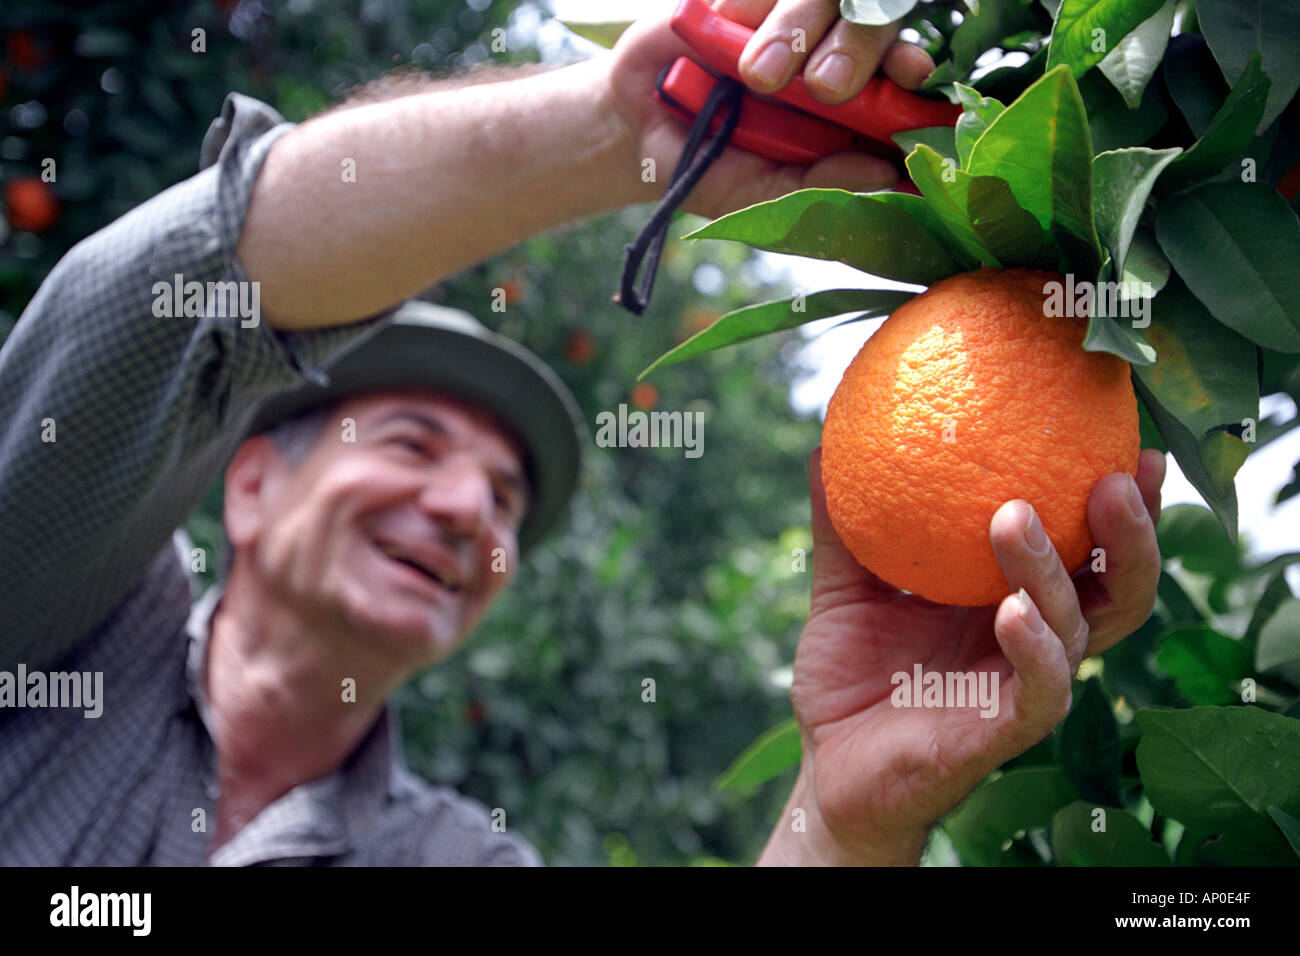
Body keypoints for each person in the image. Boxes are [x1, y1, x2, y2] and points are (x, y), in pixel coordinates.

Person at [0, 0, 1164, 866]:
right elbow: (152, 304)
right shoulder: (56, 632)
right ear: (248, 483)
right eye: (410, 442)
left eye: (505, 495)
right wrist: (630, 130)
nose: (467, 507)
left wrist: (841, 817)